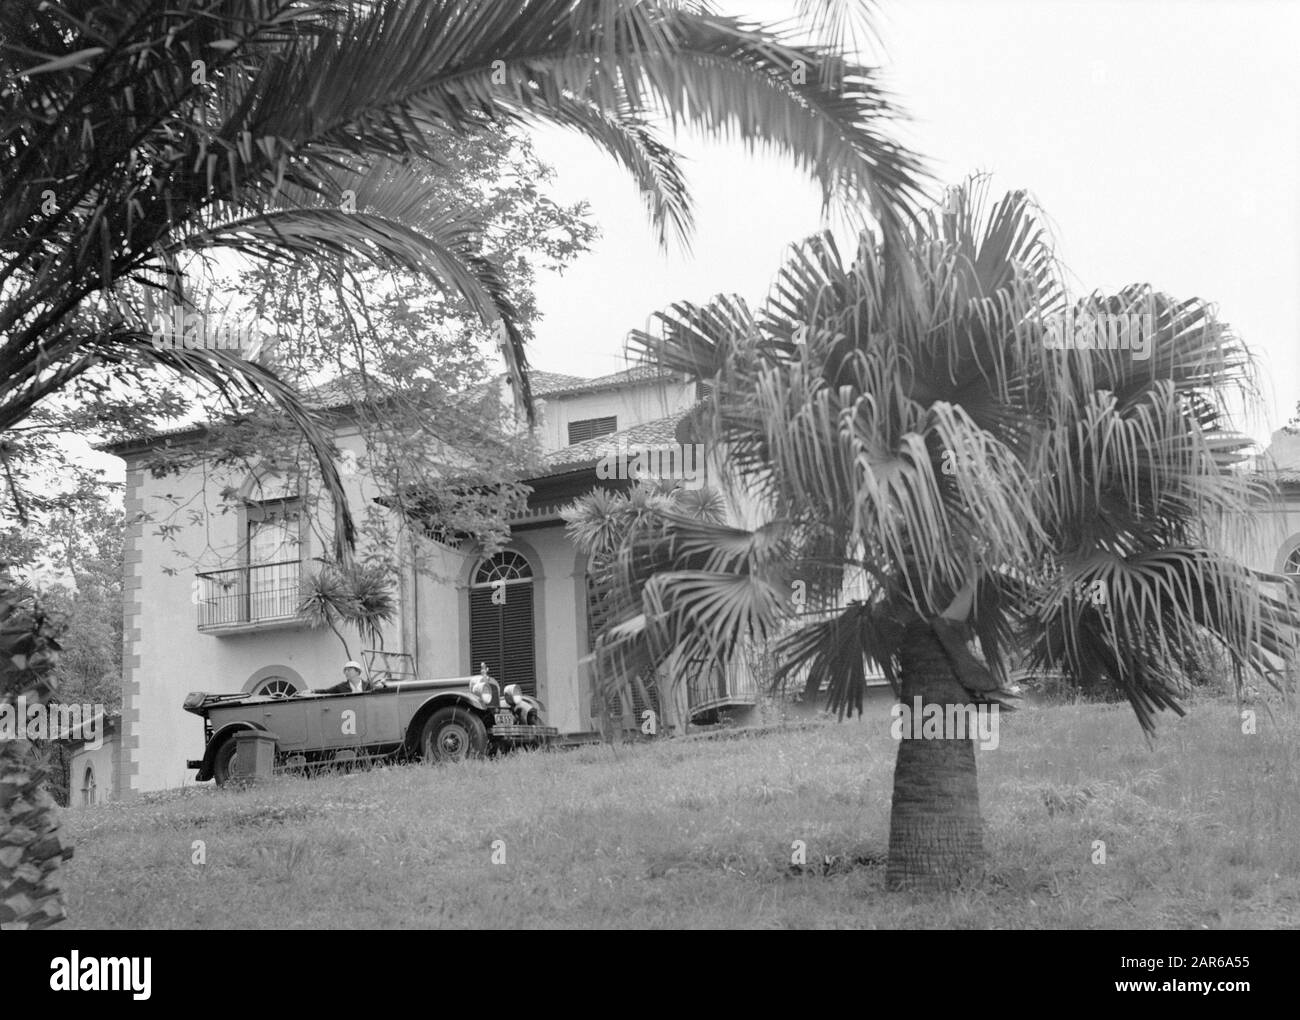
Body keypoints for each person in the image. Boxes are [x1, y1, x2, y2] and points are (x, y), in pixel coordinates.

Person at [319, 661, 384, 694]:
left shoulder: (368, 686)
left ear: (357, 672)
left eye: (349, 670)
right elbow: (326, 691)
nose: (346, 672)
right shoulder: (341, 687)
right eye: (345, 670)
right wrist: (312, 691)